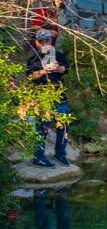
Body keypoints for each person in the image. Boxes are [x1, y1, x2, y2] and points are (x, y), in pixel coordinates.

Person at [26, 29, 70, 168]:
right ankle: (38, 157)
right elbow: (30, 77)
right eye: (42, 41)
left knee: (63, 127)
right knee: (42, 128)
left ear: (51, 41)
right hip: (42, 98)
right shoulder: (33, 57)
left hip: (60, 96)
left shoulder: (59, 55)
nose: (45, 43)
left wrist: (57, 69)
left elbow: (65, 69)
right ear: (37, 43)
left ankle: (60, 154)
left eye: (47, 40)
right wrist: (43, 71)